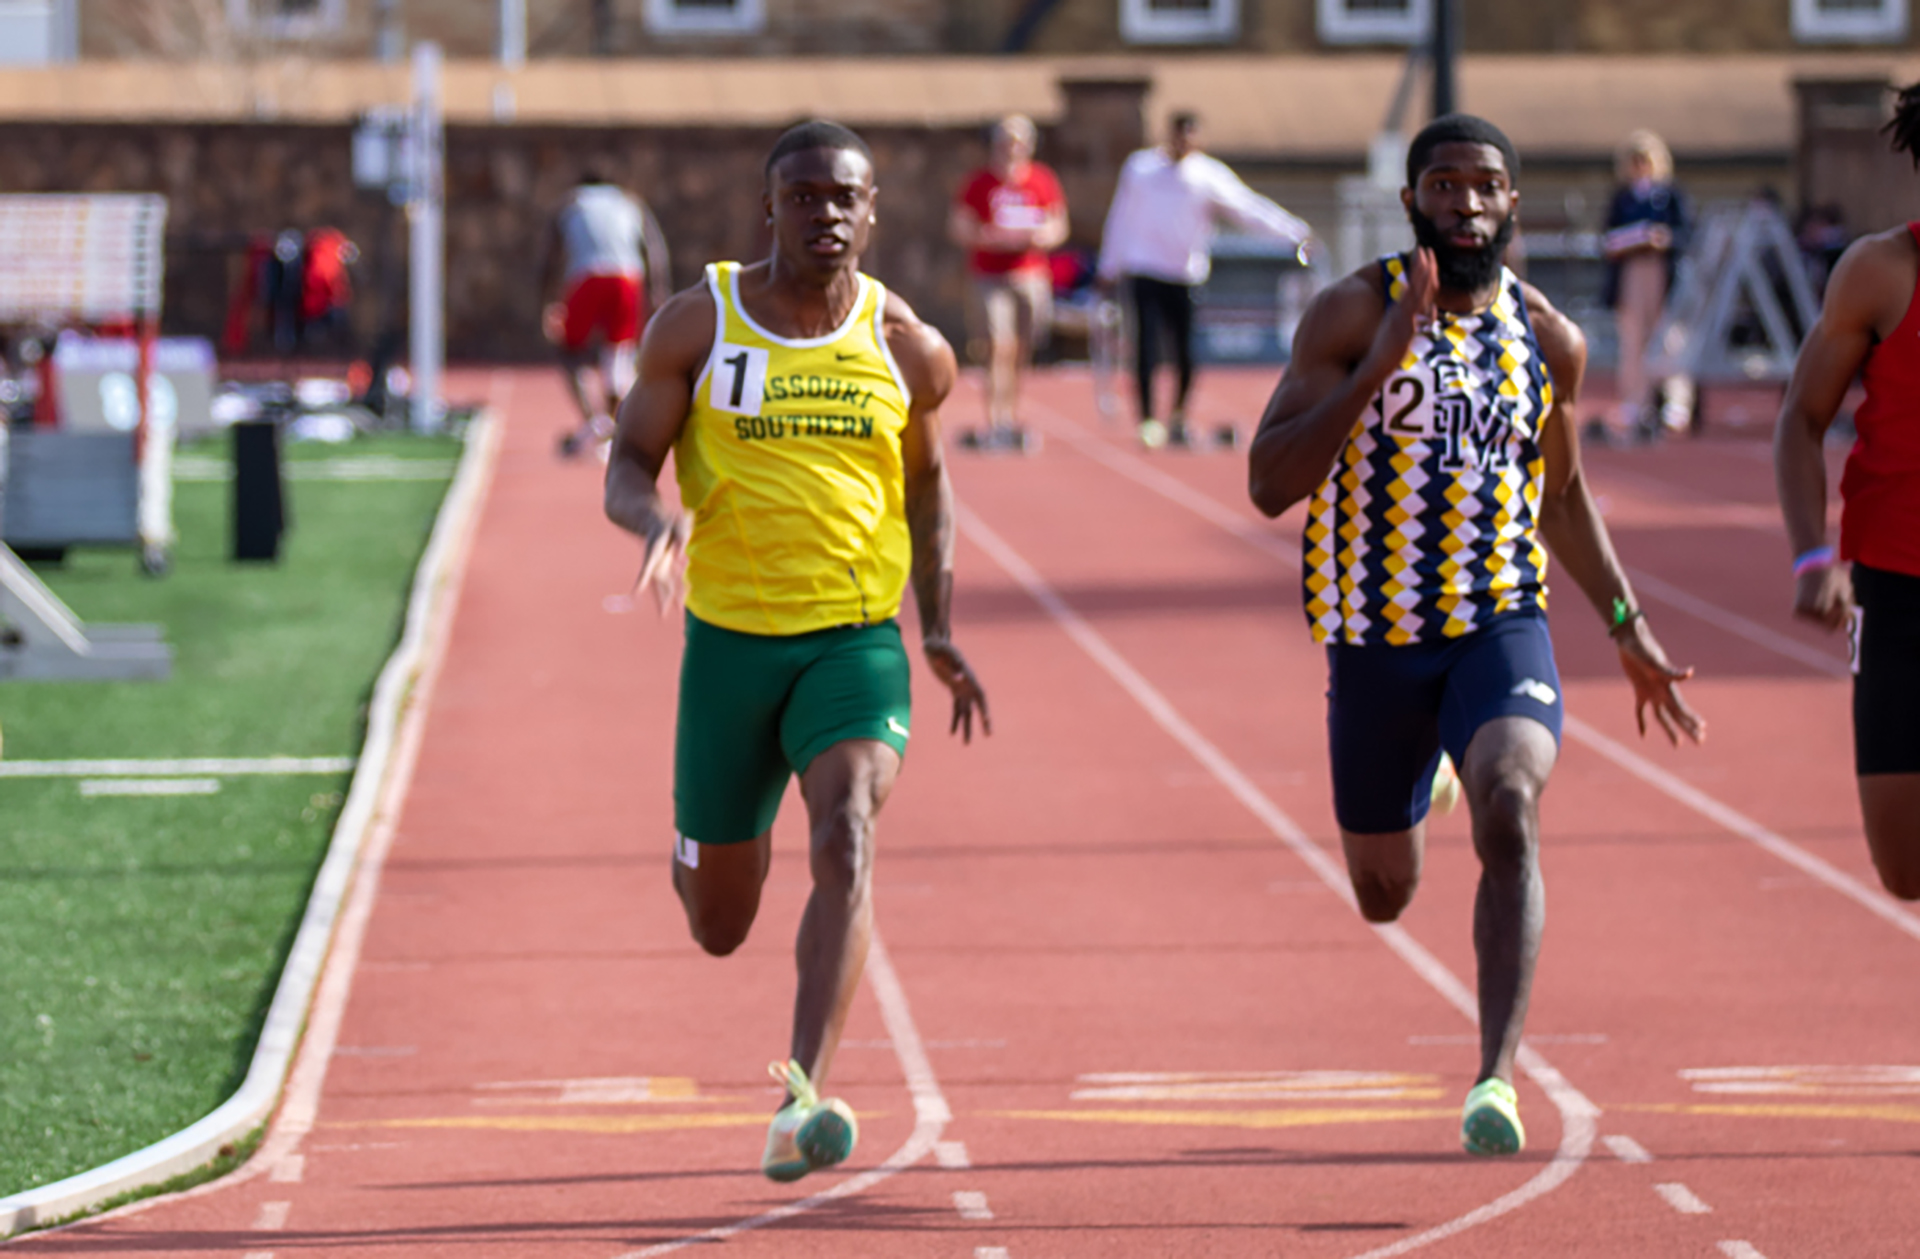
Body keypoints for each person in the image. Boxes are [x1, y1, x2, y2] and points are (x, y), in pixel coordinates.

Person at [1247, 115, 1705, 1157]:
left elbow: (1566, 495)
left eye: (1486, 186)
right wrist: (1380, 364)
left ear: (1511, 204)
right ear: (1413, 204)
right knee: (1383, 893)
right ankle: (1422, 776)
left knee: (1513, 800)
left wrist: (1627, 622)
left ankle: (1495, 1075)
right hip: (1374, 637)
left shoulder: (1549, 339)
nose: (1465, 204)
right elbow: (1270, 483)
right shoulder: (1352, 311)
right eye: (1443, 186)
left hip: (1500, 618)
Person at [603, 120, 991, 1183]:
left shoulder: (908, 346)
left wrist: (941, 626)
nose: (827, 213)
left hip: (854, 643)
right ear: (768, 210)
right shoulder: (700, 324)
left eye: (845, 197)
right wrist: (653, 522)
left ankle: (803, 1094)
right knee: (720, 922)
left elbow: (926, 484)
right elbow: (628, 461)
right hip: (730, 645)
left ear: (872, 215)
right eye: (805, 195)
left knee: (849, 831)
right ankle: (705, 848)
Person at [1773, 81, 1920, 902]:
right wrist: (1813, 553)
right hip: (1899, 589)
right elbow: (1801, 417)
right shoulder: (1881, 271)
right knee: (1903, 868)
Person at [1098, 111, 1312, 450]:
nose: (1184, 143)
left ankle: (1179, 416)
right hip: (1144, 268)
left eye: (1191, 137)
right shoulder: (1140, 169)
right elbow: (1121, 216)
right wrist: (1109, 265)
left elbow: (1248, 208)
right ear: (1169, 135)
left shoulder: (1207, 175)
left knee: (1184, 350)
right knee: (1147, 345)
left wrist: (1294, 232)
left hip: (1184, 272)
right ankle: (1148, 419)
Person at [948, 114, 1068, 453]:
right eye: (1006, 140)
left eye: (1018, 141)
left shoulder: (1042, 179)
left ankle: (1013, 412)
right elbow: (959, 225)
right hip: (990, 275)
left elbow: (1058, 224)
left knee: (1023, 347)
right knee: (997, 345)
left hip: (1030, 273)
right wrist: (988, 237)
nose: (1012, 147)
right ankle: (995, 418)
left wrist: (1039, 236)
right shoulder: (979, 182)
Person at [545, 172, 672, 458]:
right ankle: (608, 428)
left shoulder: (572, 202)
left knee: (569, 350)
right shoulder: (630, 201)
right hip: (628, 278)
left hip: (586, 277)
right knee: (619, 352)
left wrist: (548, 301)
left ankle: (596, 422)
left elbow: (550, 255)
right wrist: (659, 292)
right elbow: (654, 248)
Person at [1599, 130, 1691, 443]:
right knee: (1633, 339)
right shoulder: (1622, 198)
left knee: (1668, 339)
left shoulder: (1670, 195)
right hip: (1630, 272)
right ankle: (1636, 400)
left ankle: (1673, 403)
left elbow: (1685, 233)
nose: (1640, 166)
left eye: (1645, 160)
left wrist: (1665, 238)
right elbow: (1608, 236)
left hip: (1663, 273)